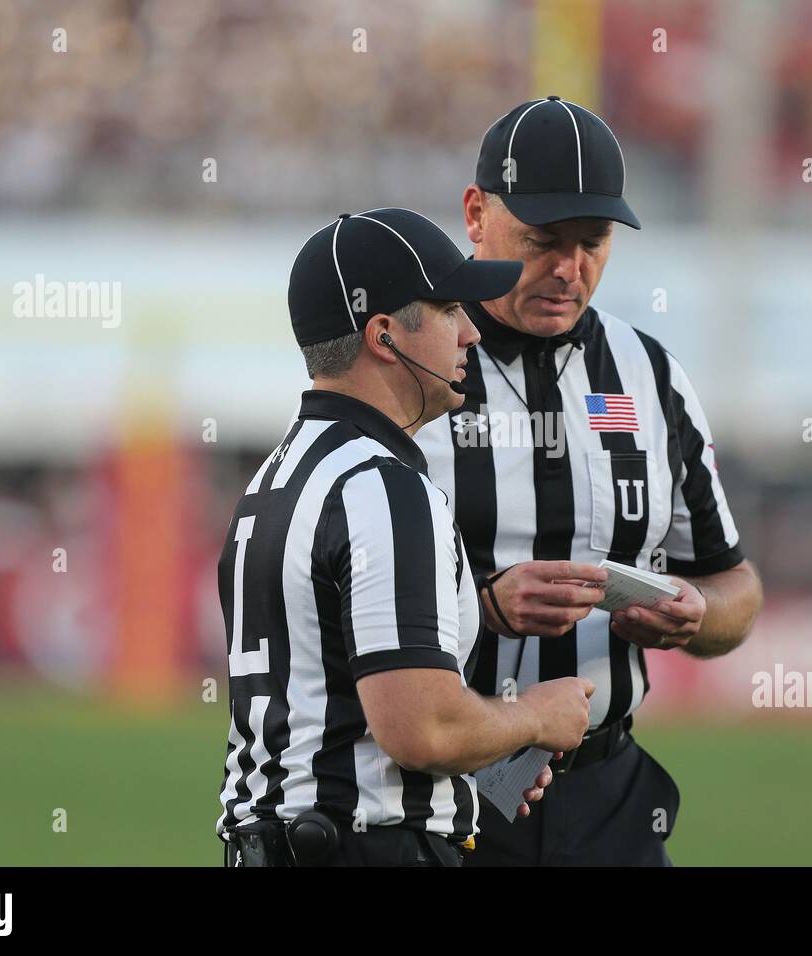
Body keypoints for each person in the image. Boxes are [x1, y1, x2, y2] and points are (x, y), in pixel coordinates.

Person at [415, 100, 765, 866]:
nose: (570, 269)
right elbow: (324, 592)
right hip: (435, 795)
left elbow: (734, 583)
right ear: (476, 214)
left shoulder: (650, 373)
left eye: (593, 243)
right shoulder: (407, 371)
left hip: (605, 794)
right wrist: (482, 610)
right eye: (543, 241)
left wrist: (696, 616)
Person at [217, 207, 595, 867]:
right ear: (384, 335)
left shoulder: (277, 475)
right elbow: (419, 729)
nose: (472, 333)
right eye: (449, 309)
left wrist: (477, 769)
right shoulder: (379, 486)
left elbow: (341, 720)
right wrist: (535, 716)